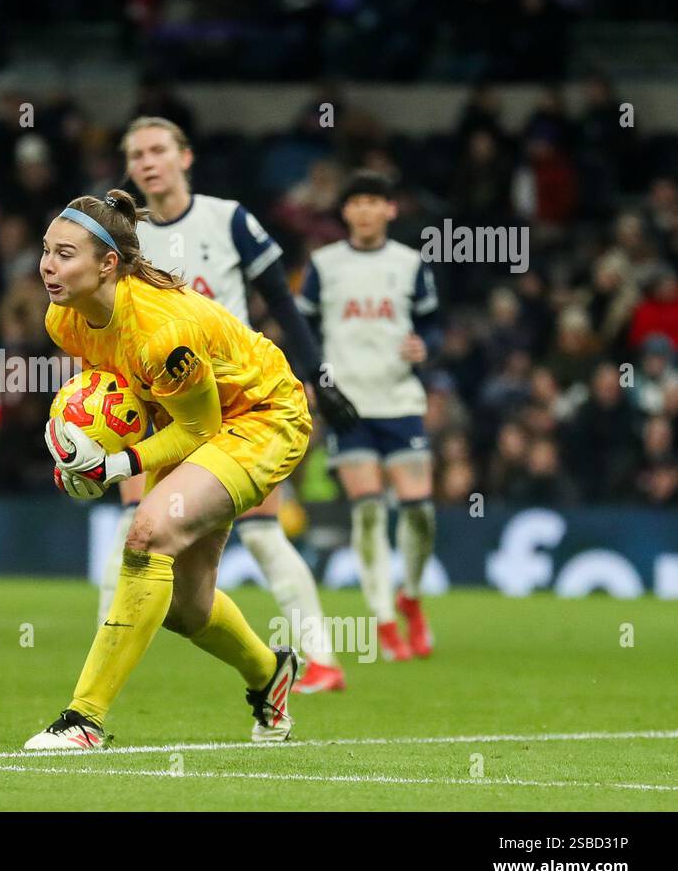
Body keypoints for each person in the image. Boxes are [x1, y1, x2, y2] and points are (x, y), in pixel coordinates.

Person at [26, 190, 309, 749]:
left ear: (107, 264)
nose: (47, 266)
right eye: (46, 251)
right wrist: (78, 443)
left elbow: (201, 433)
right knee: (187, 607)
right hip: (189, 417)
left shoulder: (163, 332)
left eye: (64, 254)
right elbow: (113, 393)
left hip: (260, 418)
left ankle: (84, 719)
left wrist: (116, 462)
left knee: (148, 534)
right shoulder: (65, 318)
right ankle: (269, 672)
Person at [111, 116, 360, 693]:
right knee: (135, 529)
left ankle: (320, 659)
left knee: (264, 532)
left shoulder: (228, 219)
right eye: (137, 154)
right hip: (159, 411)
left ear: (185, 157)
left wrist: (318, 375)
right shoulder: (124, 239)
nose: (148, 162)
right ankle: (122, 648)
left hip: (236, 408)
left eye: (158, 150)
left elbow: (281, 300)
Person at [298, 170, 440, 660]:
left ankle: (412, 597)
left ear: (390, 210)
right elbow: (304, 329)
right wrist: (315, 383)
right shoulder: (323, 265)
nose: (363, 210)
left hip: (400, 400)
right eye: (355, 202)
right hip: (348, 405)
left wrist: (427, 347)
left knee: (419, 509)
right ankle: (383, 621)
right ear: (345, 212)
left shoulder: (410, 264)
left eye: (373, 201)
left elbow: (432, 327)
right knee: (370, 508)